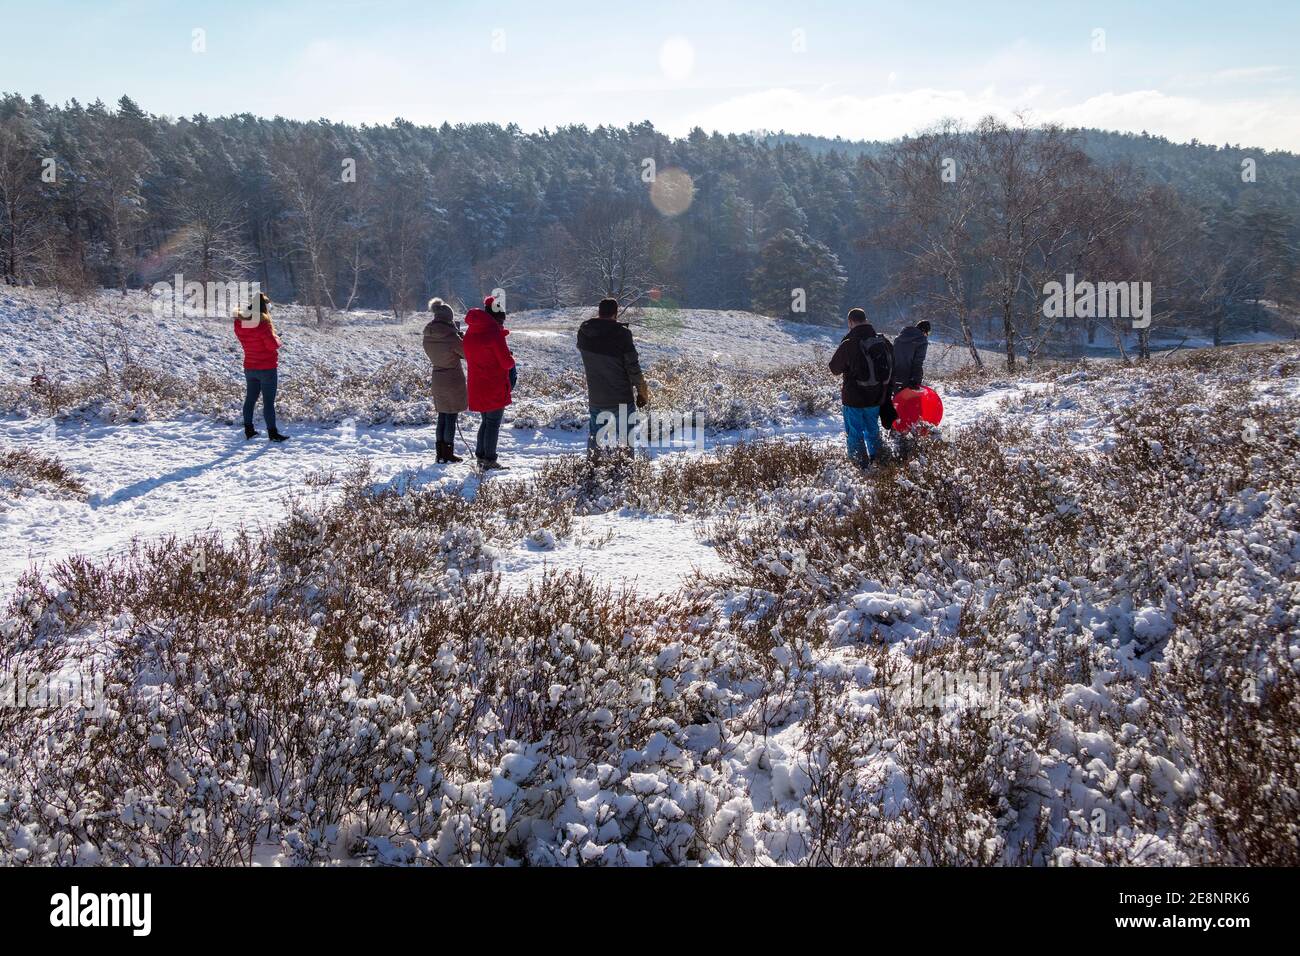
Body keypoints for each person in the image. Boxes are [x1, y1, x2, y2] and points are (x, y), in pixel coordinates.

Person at [576, 297, 650, 453]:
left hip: (596, 397)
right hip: (621, 397)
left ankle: (592, 468)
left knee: (595, 438)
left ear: (599, 311)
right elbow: (633, 367)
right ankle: (626, 470)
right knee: (626, 439)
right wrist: (642, 392)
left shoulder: (584, 333)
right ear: (615, 313)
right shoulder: (622, 335)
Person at [828, 307, 893, 468]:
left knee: (855, 433)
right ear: (866, 320)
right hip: (876, 398)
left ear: (850, 322)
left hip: (854, 399)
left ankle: (859, 467)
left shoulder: (849, 343)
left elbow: (834, 368)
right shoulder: (883, 341)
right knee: (873, 431)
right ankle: (880, 463)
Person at [462, 294, 515, 470]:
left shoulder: (471, 330)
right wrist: (511, 357)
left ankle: (480, 456)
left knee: (486, 421)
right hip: (493, 384)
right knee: (493, 423)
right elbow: (506, 363)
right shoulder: (494, 333)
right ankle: (489, 459)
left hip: (477, 383)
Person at [233, 292, 288, 442]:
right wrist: (277, 339)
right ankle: (272, 433)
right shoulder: (263, 324)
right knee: (268, 402)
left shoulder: (240, 323)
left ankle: (249, 430)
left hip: (249, 366)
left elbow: (250, 339)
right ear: (264, 308)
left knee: (250, 399)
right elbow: (272, 346)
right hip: (267, 368)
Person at [422, 297, 467, 463]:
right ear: (449, 318)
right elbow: (466, 354)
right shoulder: (451, 337)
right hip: (452, 379)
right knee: (451, 417)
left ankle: (440, 453)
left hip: (437, 377)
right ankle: (448, 453)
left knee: (442, 417)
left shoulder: (428, 335)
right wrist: (460, 337)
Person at [891, 320, 931, 394]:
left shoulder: (899, 338)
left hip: (893, 376)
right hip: (908, 378)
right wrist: (916, 381)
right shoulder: (922, 340)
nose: (927, 335)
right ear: (924, 331)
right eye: (928, 333)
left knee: (896, 401)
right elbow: (918, 363)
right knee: (908, 402)